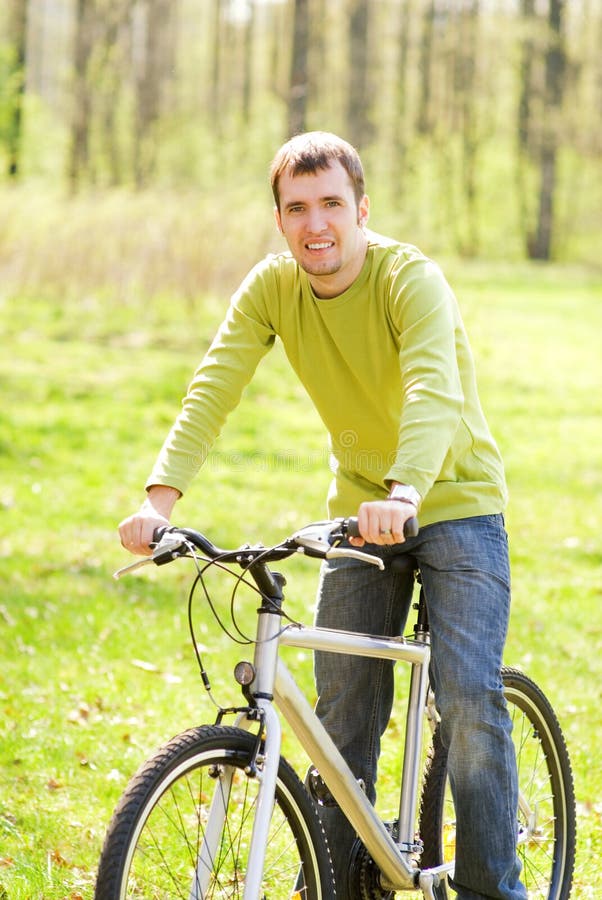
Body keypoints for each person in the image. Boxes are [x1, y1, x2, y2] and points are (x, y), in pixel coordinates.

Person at [119, 131, 527, 900]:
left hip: (455, 503)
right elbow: (214, 387)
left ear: (362, 209)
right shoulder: (273, 288)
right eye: (298, 208)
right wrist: (158, 501)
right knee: (341, 714)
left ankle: (491, 891)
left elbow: (432, 388)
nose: (317, 225)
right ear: (279, 219)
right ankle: (344, 883)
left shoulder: (410, 279)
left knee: (469, 701)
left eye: (332, 204)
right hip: (360, 517)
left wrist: (405, 493)